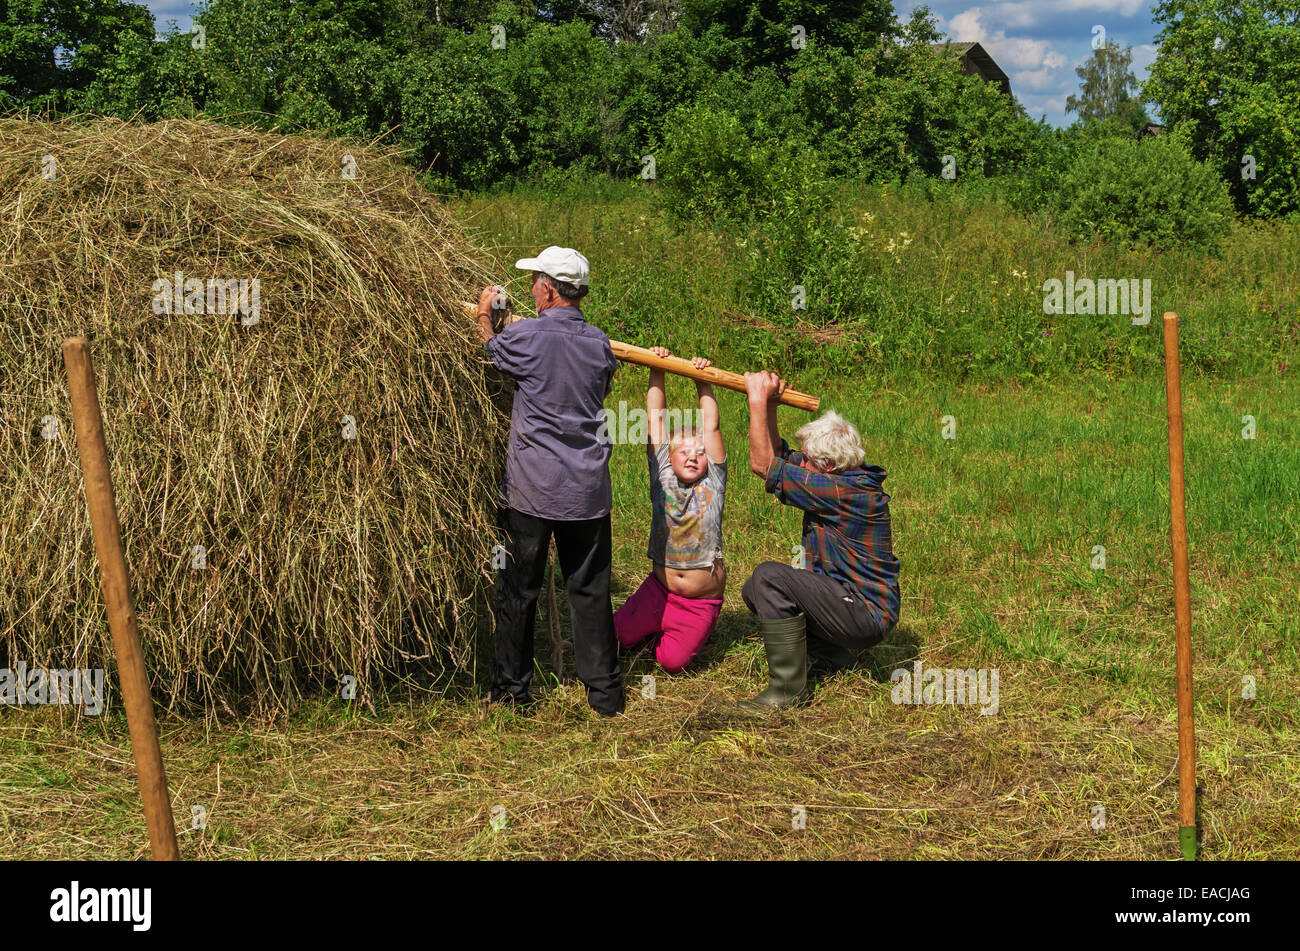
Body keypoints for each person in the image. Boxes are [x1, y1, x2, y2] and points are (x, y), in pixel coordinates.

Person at [475, 246, 624, 717]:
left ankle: (511, 693)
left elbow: (489, 354)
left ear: (547, 289)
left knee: (519, 588)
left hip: (533, 489)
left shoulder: (528, 337)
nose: (532, 287)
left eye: (535, 279)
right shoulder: (600, 344)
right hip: (586, 491)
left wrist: (484, 314)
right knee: (590, 591)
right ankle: (605, 697)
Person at [735, 371, 901, 713]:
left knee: (769, 577)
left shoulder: (844, 492)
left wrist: (755, 400)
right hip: (845, 600)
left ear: (825, 467)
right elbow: (780, 457)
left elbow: (763, 464)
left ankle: (786, 691)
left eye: (806, 459)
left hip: (865, 614)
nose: (800, 461)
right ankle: (833, 653)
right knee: (755, 588)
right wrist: (771, 405)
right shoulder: (837, 476)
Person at [613, 347, 727, 673]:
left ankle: (676, 634)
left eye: (699, 452)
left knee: (670, 663)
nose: (693, 456)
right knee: (612, 635)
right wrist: (656, 366)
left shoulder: (713, 482)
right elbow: (654, 419)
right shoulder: (661, 475)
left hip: (698, 604)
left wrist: (702, 379)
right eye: (684, 451)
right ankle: (650, 626)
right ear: (668, 456)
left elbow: (712, 427)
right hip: (659, 591)